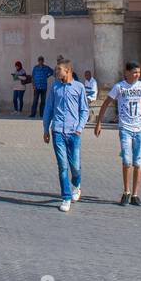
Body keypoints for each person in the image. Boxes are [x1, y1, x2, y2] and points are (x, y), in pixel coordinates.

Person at [95, 61, 141, 206]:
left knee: (137, 162)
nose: (137, 74)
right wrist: (99, 122)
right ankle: (126, 192)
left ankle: (135, 194)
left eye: (139, 72)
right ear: (126, 73)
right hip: (125, 128)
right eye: (134, 72)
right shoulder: (119, 87)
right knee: (127, 160)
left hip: (139, 129)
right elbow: (106, 103)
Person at [41, 58, 88, 212]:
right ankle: (66, 197)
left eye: (58, 70)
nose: (56, 73)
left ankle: (77, 185)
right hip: (58, 132)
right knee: (62, 166)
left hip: (73, 132)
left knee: (74, 165)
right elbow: (48, 108)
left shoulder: (79, 87)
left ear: (68, 70)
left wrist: (79, 128)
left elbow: (84, 110)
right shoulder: (54, 87)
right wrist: (46, 129)